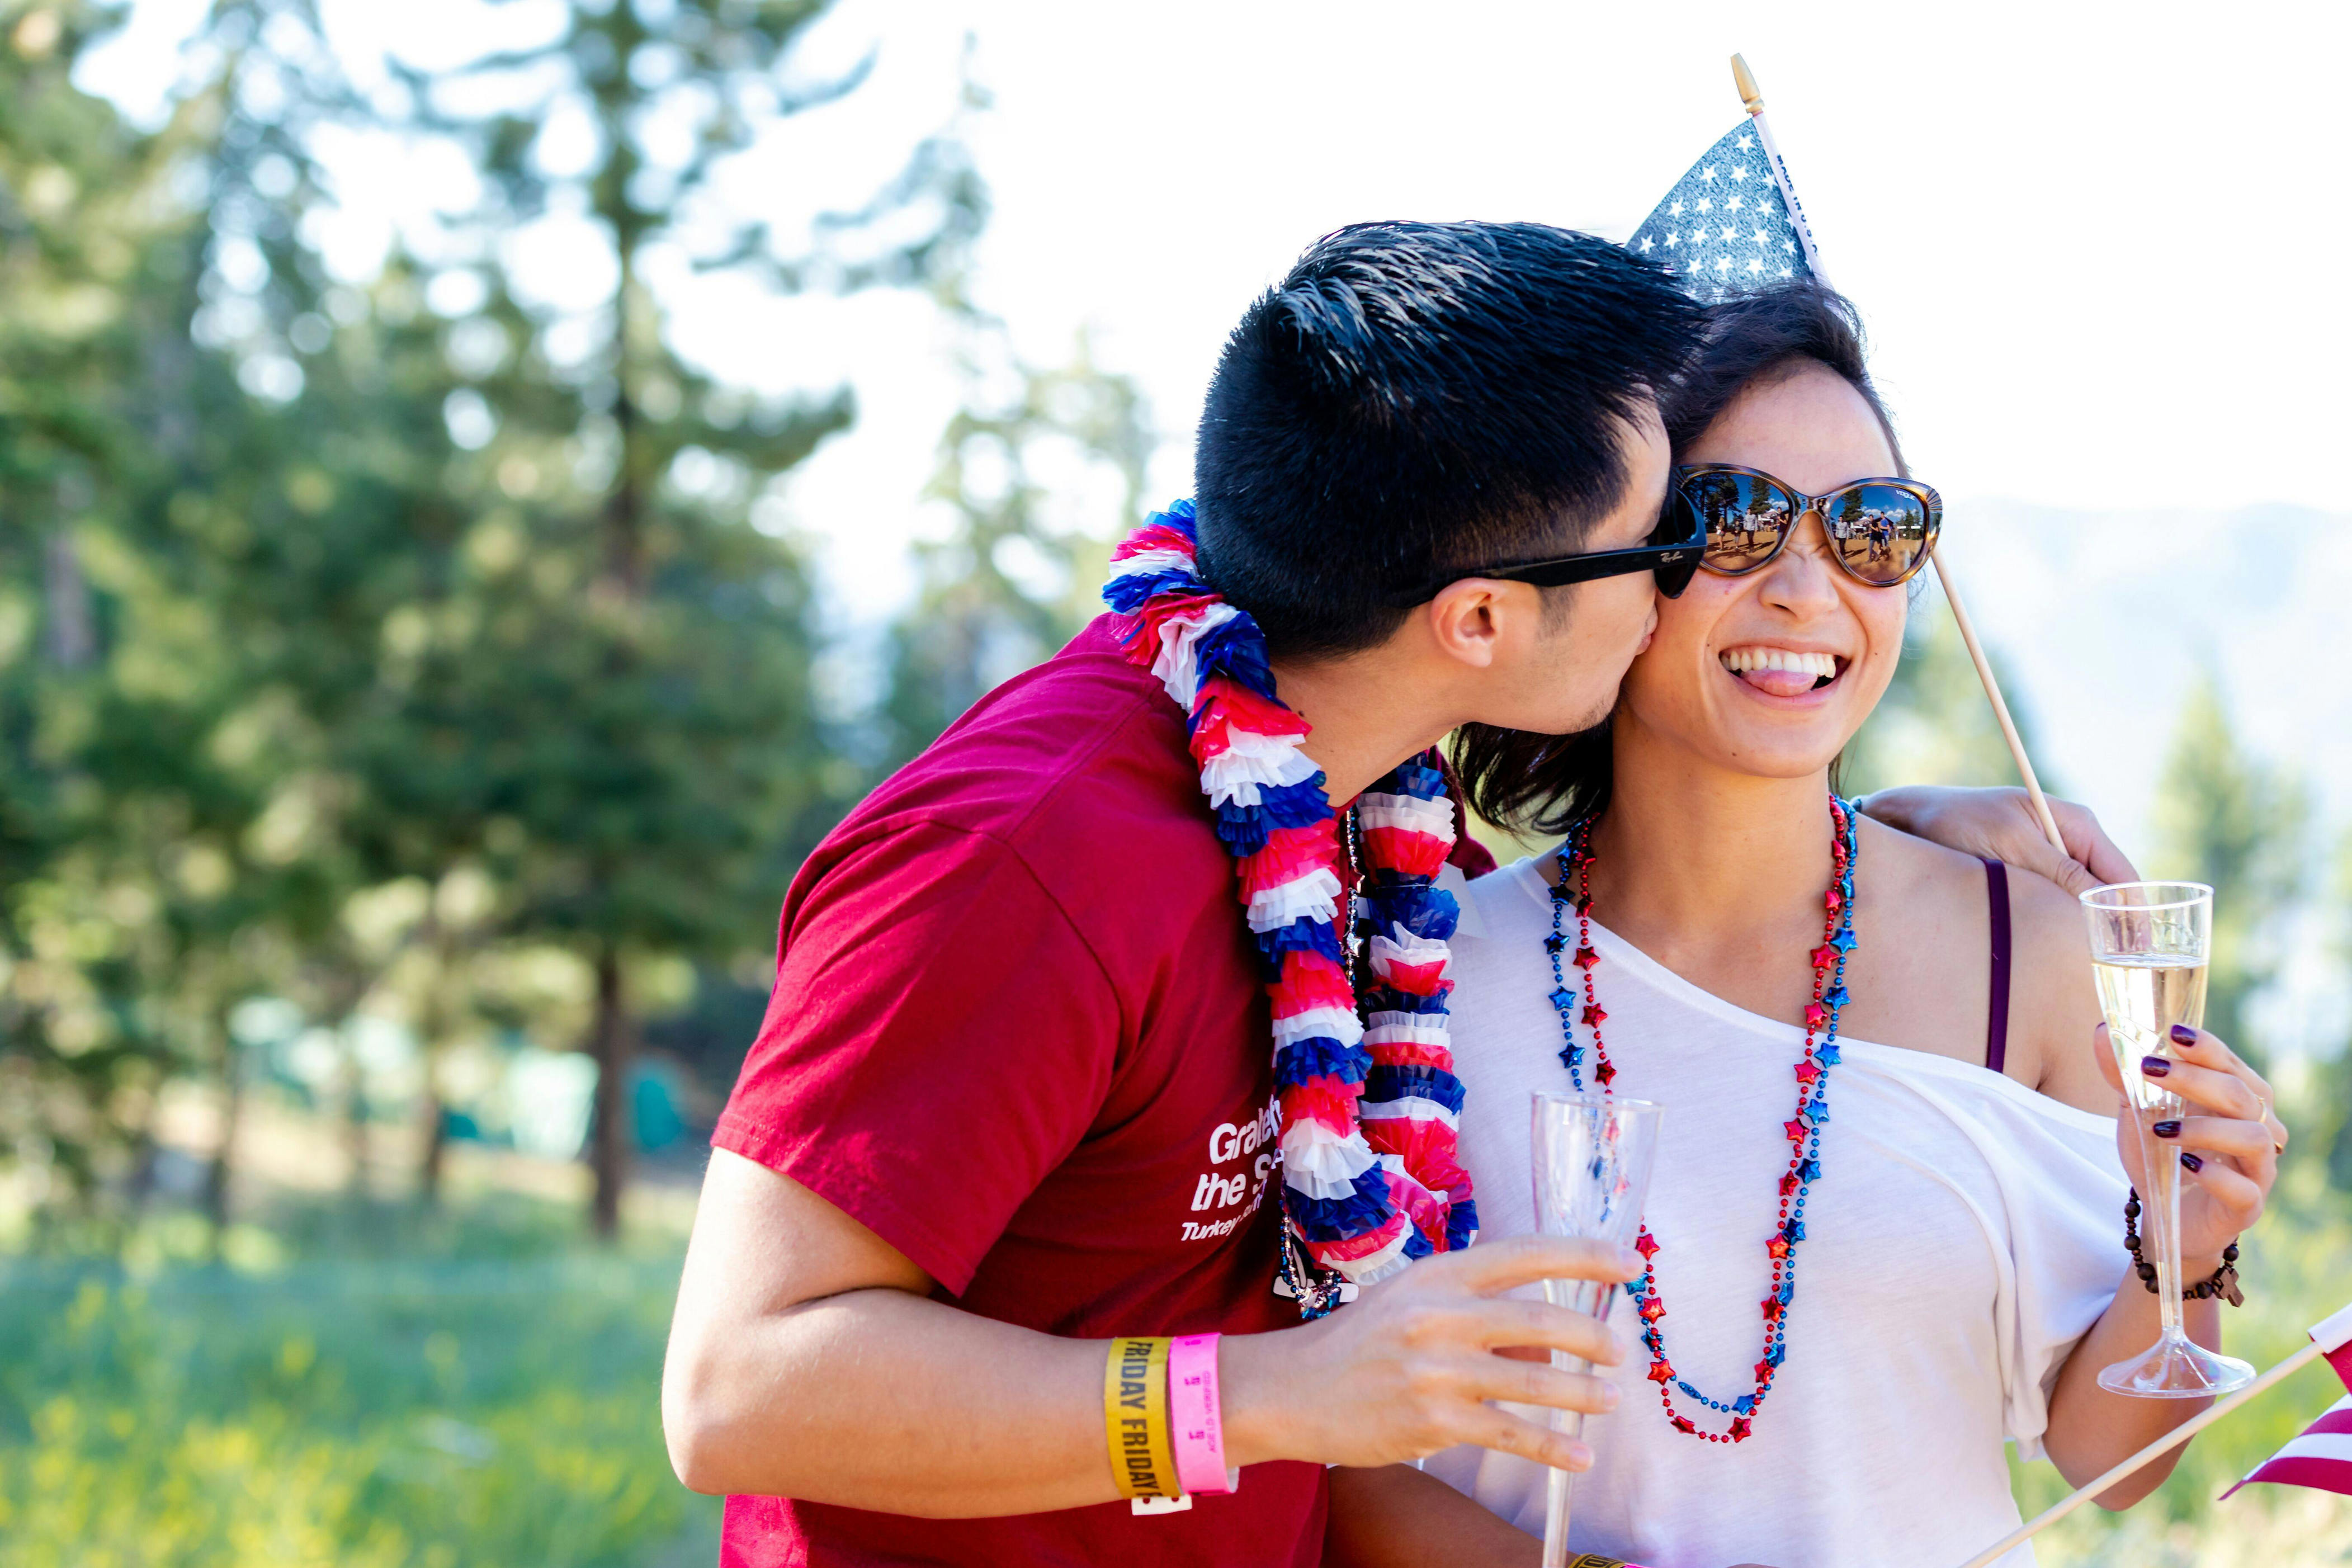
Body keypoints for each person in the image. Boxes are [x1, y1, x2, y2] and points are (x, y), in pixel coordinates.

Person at [660, 223, 2133, 1568]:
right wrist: (1269, 1394)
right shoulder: (1026, 855)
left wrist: (1873, 830)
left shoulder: (1375, 839)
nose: (1718, 590)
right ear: (1480, 620)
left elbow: (1688, 916)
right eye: (1675, 539)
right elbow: (734, 1387)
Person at [1425, 281, 2288, 1568]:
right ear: (1615, 561)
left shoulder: (2029, 951)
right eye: (1733, 518)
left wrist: (2188, 1247)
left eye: (1872, 530)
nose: (1807, 585)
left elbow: (2113, 1465)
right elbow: (1338, 1461)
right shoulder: (1427, 974)